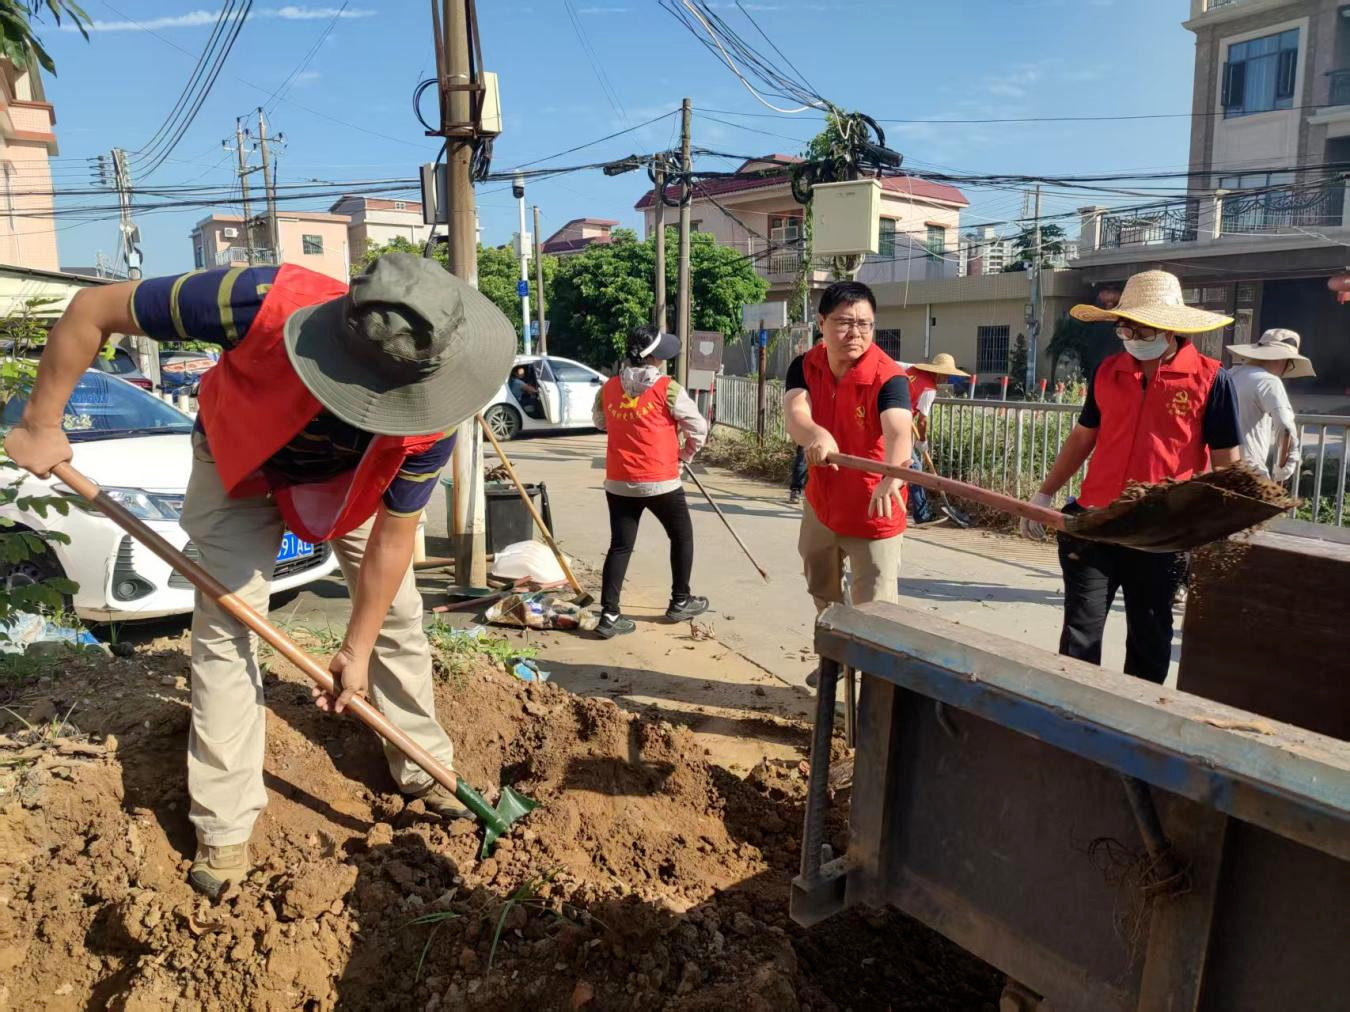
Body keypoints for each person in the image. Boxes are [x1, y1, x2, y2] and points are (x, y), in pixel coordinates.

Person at [4, 253, 516, 896]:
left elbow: (393, 537)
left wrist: (353, 650)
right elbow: (92, 309)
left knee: (399, 617)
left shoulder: (439, 397)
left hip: (350, 480)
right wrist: (40, 422)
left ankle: (424, 769)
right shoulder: (257, 299)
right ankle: (223, 828)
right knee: (227, 626)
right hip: (237, 460)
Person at [1020, 270, 1240, 685]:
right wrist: (1044, 494)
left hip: (1161, 532)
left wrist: (1219, 524)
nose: (1133, 334)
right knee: (1080, 635)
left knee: (1150, 638)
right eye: (1126, 325)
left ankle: (1136, 728)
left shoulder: (1211, 380)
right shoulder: (1109, 372)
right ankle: (1072, 719)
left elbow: (1228, 459)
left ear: (1171, 328)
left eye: (1143, 327)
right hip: (1094, 522)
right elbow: (1084, 436)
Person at [784, 280, 912, 647]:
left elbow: (900, 430)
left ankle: (875, 688)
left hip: (875, 506)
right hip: (822, 503)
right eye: (844, 322)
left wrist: (893, 476)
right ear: (821, 322)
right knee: (821, 586)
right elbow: (795, 413)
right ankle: (836, 660)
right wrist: (816, 435)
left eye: (864, 324)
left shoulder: (888, 376)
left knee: (877, 610)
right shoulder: (805, 365)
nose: (854, 332)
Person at [592, 325, 709, 638]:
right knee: (681, 536)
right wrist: (685, 454)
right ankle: (680, 601)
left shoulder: (609, 388)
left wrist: (628, 427)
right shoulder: (669, 388)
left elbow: (600, 422)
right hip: (660, 480)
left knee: (620, 546)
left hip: (619, 480)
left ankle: (609, 615)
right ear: (654, 358)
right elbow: (698, 427)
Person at [1225, 328, 1312, 483]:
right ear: (1283, 360)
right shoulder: (1268, 381)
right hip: (1249, 473)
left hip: (1218, 469)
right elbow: (1285, 425)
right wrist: (1287, 465)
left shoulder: (1229, 375)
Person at [903, 352, 969, 523]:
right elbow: (922, 421)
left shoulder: (911, 372)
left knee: (899, 465)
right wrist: (922, 441)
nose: (947, 379)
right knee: (915, 468)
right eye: (946, 374)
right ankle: (922, 514)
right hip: (900, 424)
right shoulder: (929, 389)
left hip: (891, 418)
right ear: (938, 372)